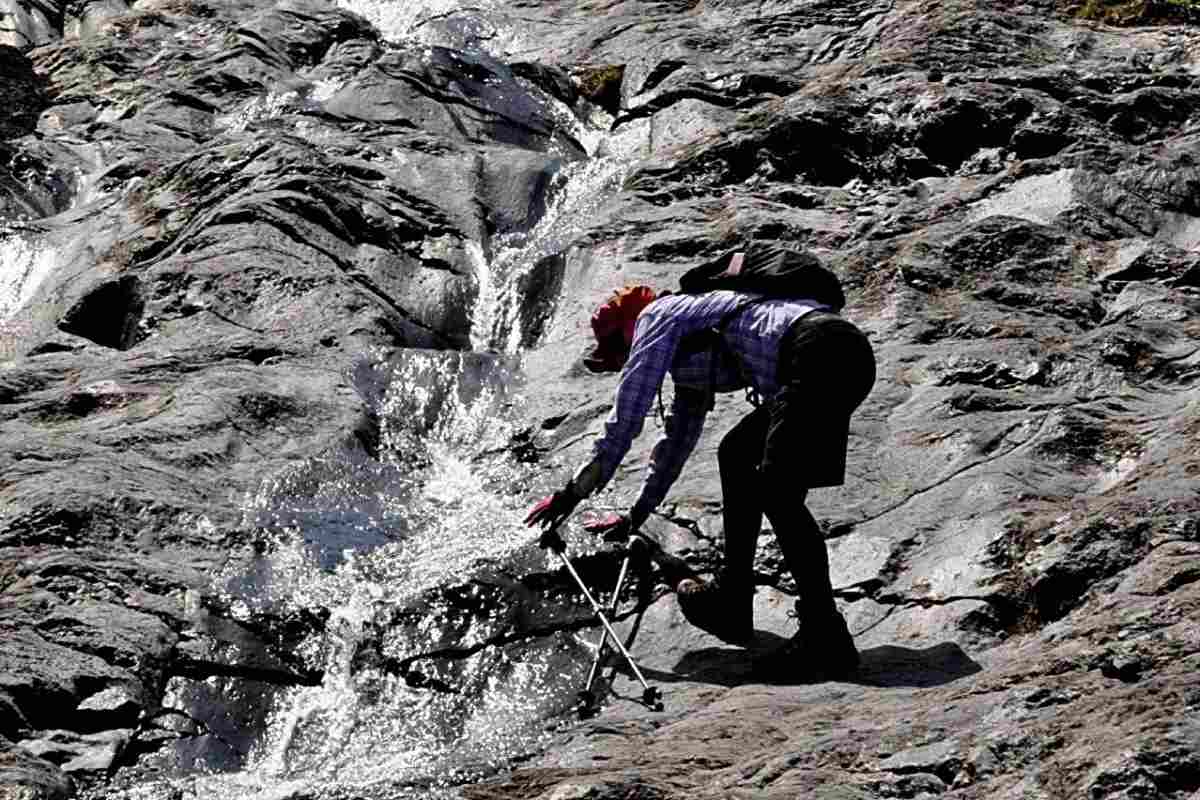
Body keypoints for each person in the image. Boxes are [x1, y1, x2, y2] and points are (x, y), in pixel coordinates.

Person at [525, 243, 876, 681]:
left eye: (619, 348)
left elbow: (627, 417)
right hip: (839, 355)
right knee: (736, 453)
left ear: (627, 330)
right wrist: (636, 515)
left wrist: (569, 495)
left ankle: (825, 637)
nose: (623, 360)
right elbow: (676, 443)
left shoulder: (659, 316)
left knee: (777, 492)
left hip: (819, 352)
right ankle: (733, 601)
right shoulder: (696, 338)